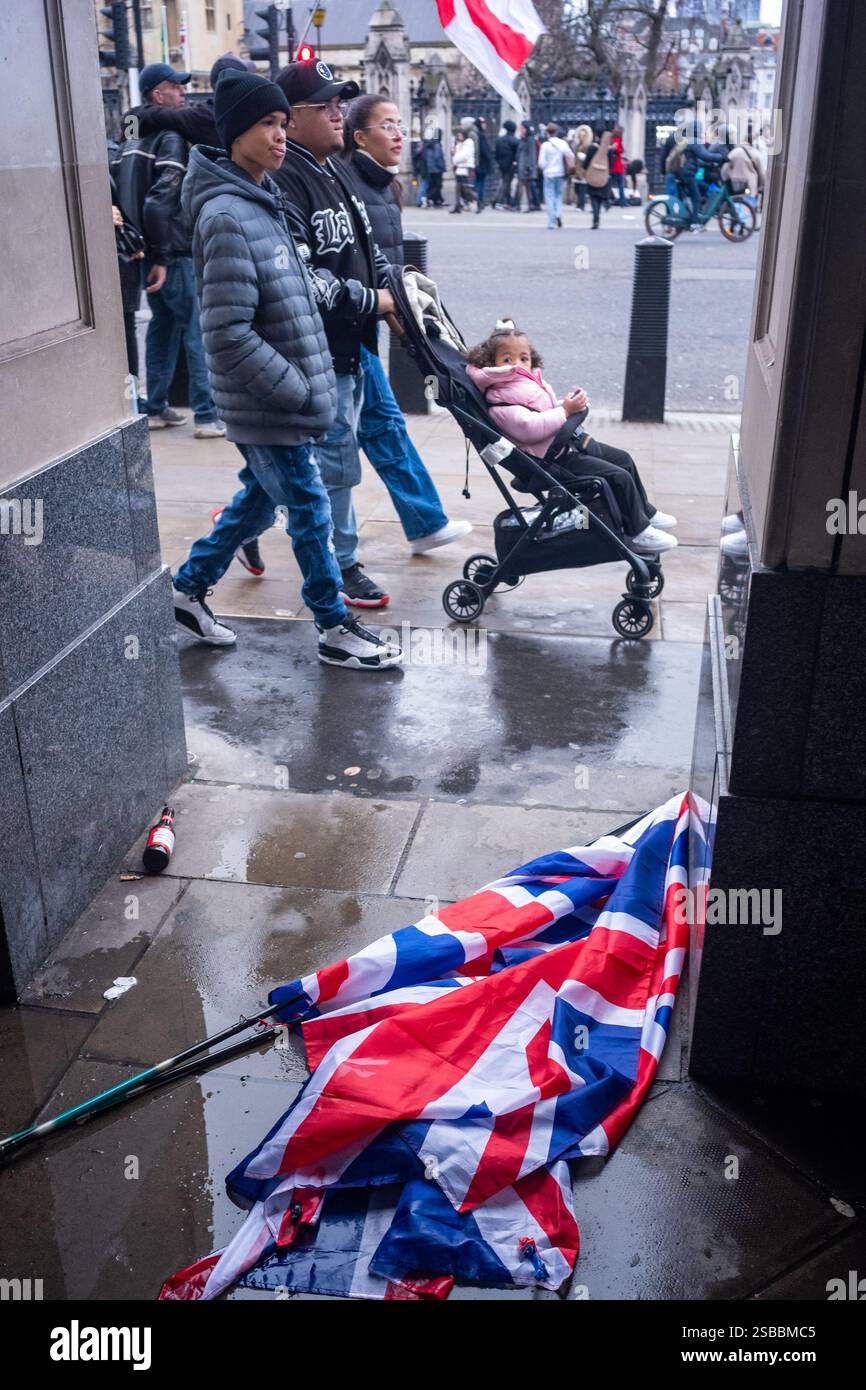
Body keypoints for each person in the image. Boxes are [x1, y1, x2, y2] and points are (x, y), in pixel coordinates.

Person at [170, 69, 401, 670]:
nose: (279, 137)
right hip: (269, 403)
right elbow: (226, 332)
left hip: (286, 397)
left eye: (280, 123)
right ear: (235, 133)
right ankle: (332, 625)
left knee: (256, 503)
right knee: (309, 508)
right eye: (267, 125)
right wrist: (298, 389)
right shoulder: (226, 215)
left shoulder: (261, 198)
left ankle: (187, 590)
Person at [339, 95, 472, 553]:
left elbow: (384, 264)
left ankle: (424, 522)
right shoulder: (347, 181)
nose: (399, 134)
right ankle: (242, 524)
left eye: (401, 125)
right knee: (366, 432)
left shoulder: (382, 185)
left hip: (366, 325)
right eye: (387, 125)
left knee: (376, 427)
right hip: (346, 326)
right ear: (359, 137)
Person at [465, 320, 678, 555]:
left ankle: (644, 513)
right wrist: (565, 411)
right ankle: (639, 533)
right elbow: (528, 426)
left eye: (523, 358)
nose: (517, 364)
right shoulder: (499, 396)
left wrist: (566, 405)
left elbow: (543, 412)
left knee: (623, 459)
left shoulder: (526, 383)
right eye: (507, 359)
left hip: (564, 446)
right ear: (490, 362)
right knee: (617, 477)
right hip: (550, 460)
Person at [112, 63, 223, 437]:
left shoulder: (130, 133)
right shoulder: (171, 136)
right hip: (170, 250)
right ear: (158, 94)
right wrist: (161, 254)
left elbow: (116, 182)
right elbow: (161, 201)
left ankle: (156, 407)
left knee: (163, 326)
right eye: (177, 88)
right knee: (196, 327)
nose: (183, 94)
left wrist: (145, 247)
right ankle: (207, 416)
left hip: (141, 248)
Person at [538, 122, 571, 229]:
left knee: (549, 196)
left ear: (547, 132)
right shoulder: (563, 143)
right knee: (558, 195)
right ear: (556, 132)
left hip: (548, 174)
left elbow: (541, 163)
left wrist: (545, 168)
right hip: (560, 173)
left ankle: (551, 221)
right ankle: (558, 213)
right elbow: (570, 155)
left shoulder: (545, 145)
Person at [581, 124, 612, 229]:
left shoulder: (591, 148)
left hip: (592, 176)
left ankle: (596, 219)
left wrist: (586, 170)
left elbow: (585, 163)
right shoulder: (608, 149)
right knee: (601, 196)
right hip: (604, 176)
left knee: (593, 197)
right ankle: (606, 202)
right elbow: (611, 163)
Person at [493, 119, 518, 208]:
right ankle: (499, 201)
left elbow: (496, 154)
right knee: (506, 184)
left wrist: (499, 162)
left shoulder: (499, 140)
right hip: (511, 165)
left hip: (501, 165)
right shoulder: (515, 140)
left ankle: (506, 201)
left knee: (504, 182)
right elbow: (517, 154)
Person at [450, 128, 477, 212]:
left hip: (466, 168)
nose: (459, 137)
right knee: (458, 188)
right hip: (459, 168)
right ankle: (458, 205)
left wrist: (455, 159)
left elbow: (464, 156)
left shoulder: (468, 143)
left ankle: (476, 199)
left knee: (466, 188)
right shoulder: (459, 144)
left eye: (460, 135)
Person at [516, 121, 539, 211]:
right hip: (523, 166)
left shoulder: (529, 139)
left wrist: (528, 167)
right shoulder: (524, 138)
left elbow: (531, 155)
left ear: (525, 129)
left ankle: (520, 205)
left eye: (521, 128)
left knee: (523, 187)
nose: (520, 130)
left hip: (526, 167)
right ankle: (528, 205)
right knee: (526, 188)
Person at [473, 115, 494, 211]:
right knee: (481, 183)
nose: (485, 125)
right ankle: (479, 201)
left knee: (478, 182)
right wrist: (490, 157)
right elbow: (484, 150)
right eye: (483, 123)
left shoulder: (477, 134)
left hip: (478, 163)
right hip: (482, 163)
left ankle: (477, 200)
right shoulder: (480, 135)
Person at [572, 123, 593, 211]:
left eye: (583, 135)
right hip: (577, 168)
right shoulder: (577, 146)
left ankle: (581, 205)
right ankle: (578, 204)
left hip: (584, 170)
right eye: (580, 135)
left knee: (582, 190)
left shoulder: (588, 146)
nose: (582, 137)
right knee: (577, 188)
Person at [610, 124, 627, 207]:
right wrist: (621, 150)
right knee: (621, 185)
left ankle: (607, 201)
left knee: (610, 184)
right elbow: (617, 149)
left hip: (613, 165)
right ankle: (622, 202)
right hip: (617, 165)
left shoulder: (612, 138)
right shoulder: (617, 139)